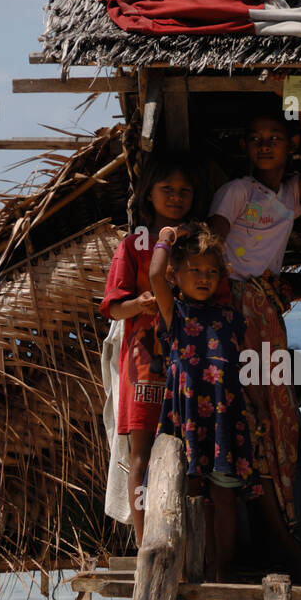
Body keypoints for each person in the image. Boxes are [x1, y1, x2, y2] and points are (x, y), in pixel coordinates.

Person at [208, 96, 301, 583]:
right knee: (253, 414)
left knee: (275, 416)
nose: (265, 146)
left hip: (265, 313)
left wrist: (298, 104)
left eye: (274, 139)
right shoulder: (238, 191)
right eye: (257, 140)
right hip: (236, 309)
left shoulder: (290, 197)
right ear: (244, 147)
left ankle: (284, 534)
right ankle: (277, 542)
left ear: (290, 145)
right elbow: (215, 236)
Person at [150, 222, 263, 580]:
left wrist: (257, 406)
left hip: (225, 420)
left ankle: (220, 570)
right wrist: (166, 239)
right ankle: (185, 567)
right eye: (194, 270)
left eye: (212, 272)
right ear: (176, 275)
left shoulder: (231, 318)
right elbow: (154, 275)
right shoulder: (176, 314)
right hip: (186, 419)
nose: (204, 278)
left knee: (225, 495)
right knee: (187, 493)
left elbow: (247, 366)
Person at [101, 153, 198, 543]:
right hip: (144, 361)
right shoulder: (133, 246)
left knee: (191, 449)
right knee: (140, 454)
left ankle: (188, 541)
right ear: (149, 194)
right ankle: (145, 545)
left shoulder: (195, 242)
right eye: (167, 189)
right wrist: (140, 305)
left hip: (190, 359)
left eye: (184, 191)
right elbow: (113, 306)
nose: (176, 197)